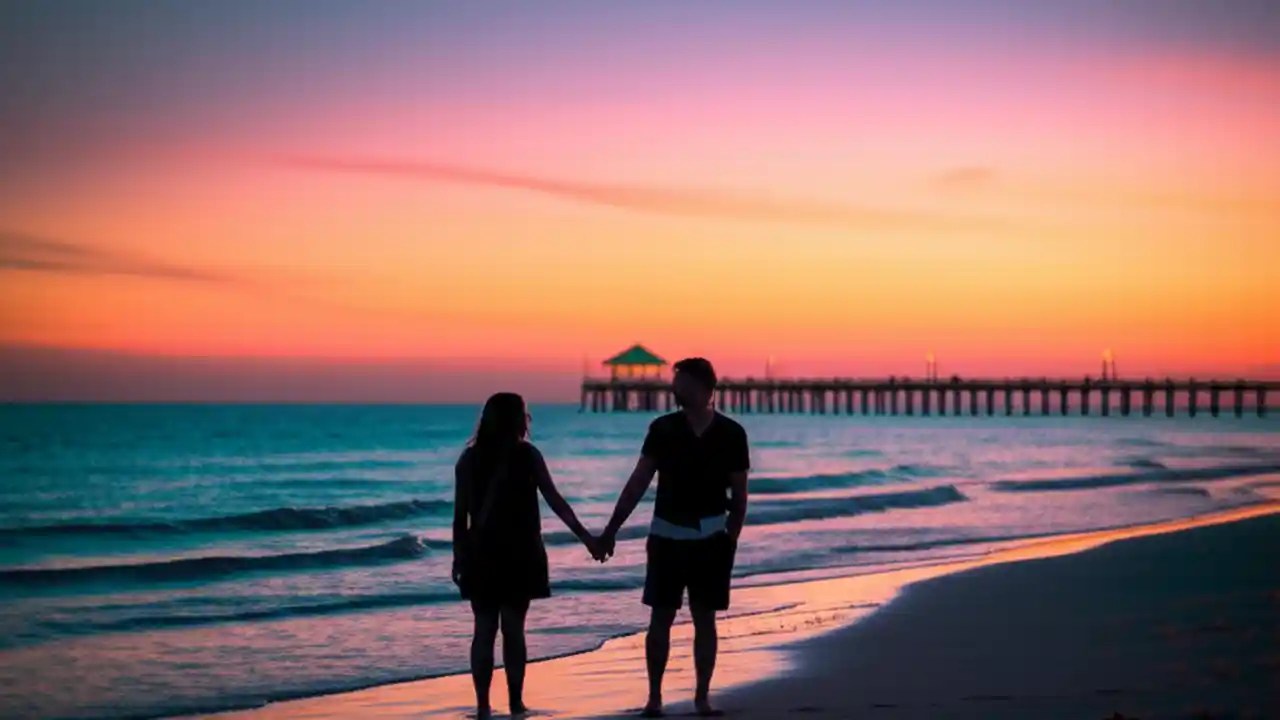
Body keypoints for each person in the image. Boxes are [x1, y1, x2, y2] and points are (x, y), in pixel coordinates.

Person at [596, 357, 750, 717]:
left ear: (701, 386)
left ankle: (702, 697)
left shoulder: (731, 433)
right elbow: (638, 482)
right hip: (666, 535)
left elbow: (740, 495)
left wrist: (732, 539)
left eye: (680, 382)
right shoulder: (662, 429)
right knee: (660, 618)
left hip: (712, 536)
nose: (673, 388)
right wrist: (610, 530)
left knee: (705, 619)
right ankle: (654, 697)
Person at [453, 392, 598, 719]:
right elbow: (556, 501)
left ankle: (482, 705)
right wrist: (587, 537)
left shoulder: (468, 459)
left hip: (482, 554)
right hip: (521, 551)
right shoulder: (528, 455)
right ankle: (516, 702)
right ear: (520, 420)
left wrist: (458, 555)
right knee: (514, 629)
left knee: (483, 629)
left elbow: (459, 515)